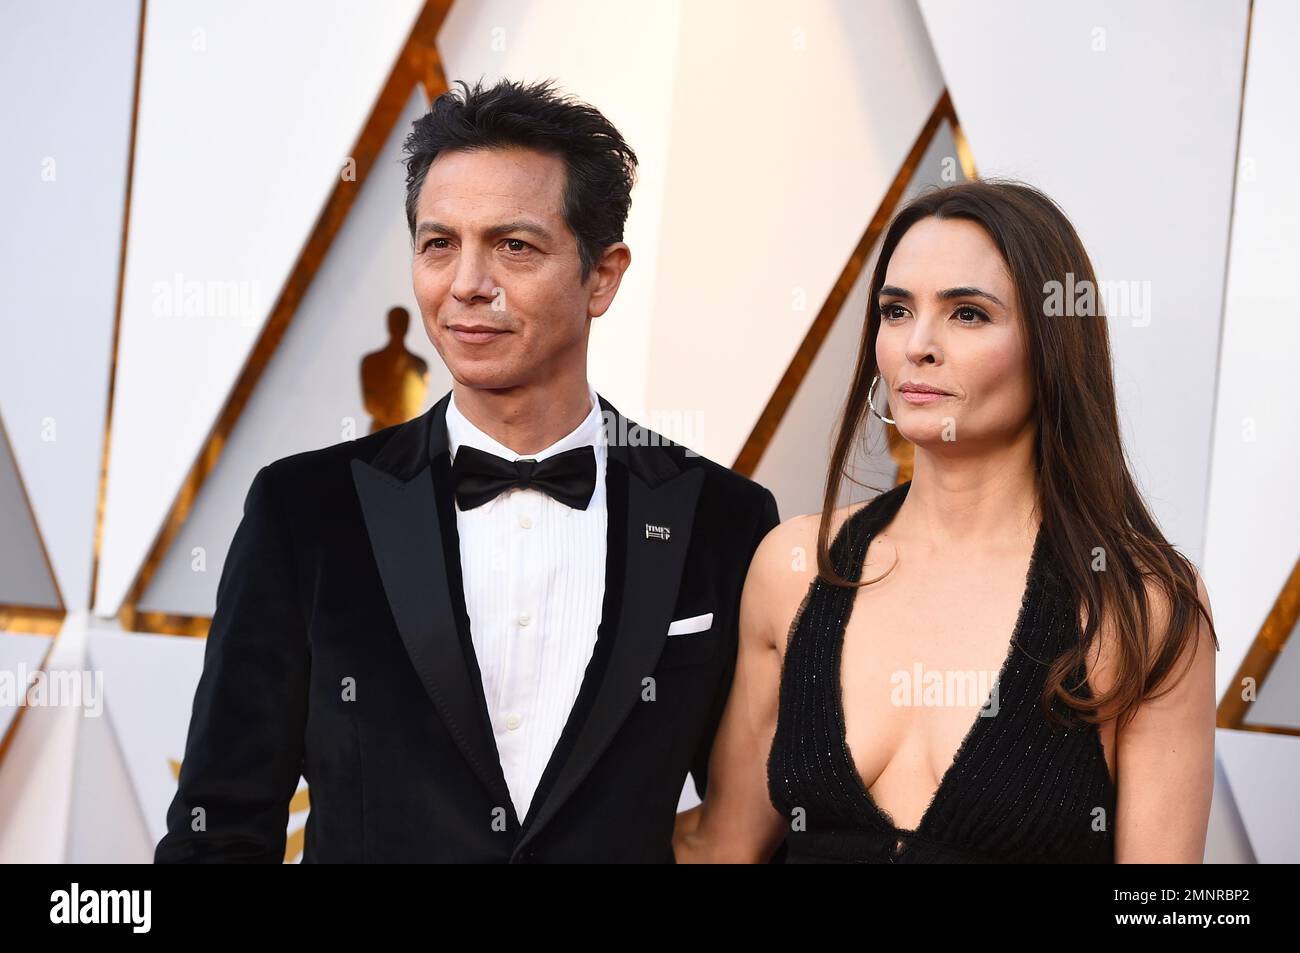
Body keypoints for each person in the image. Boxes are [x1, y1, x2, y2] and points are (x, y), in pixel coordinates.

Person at [155, 78, 778, 863]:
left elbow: (752, 828)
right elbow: (220, 825)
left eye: (513, 246)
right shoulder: (304, 510)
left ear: (603, 276)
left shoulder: (723, 519)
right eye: (438, 243)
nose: (466, 285)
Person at [674, 180, 1217, 863]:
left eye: (967, 314)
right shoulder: (794, 566)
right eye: (896, 311)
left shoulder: (1140, 602)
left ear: (1053, 344)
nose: (917, 346)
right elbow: (720, 847)